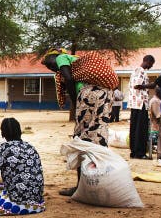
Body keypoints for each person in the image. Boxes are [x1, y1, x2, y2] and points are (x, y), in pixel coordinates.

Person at [41, 48, 119, 195]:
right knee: (98, 138)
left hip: (89, 97)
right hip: (104, 97)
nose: (51, 68)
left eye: (49, 63)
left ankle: (80, 187)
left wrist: (75, 101)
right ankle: (98, 186)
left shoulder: (62, 58)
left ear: (54, 56)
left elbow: (69, 78)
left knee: (80, 140)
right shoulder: (78, 63)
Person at [0, 117, 45, 215]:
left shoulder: (3, 148)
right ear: (20, 132)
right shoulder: (31, 147)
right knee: (0, 186)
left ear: (2, 134)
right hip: (37, 199)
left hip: (16, 199)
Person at [128, 55, 155, 159]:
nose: (151, 66)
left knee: (134, 128)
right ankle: (140, 153)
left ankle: (134, 152)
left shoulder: (134, 70)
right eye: (151, 64)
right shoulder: (142, 71)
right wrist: (151, 85)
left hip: (134, 103)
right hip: (141, 103)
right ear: (148, 61)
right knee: (141, 129)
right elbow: (137, 86)